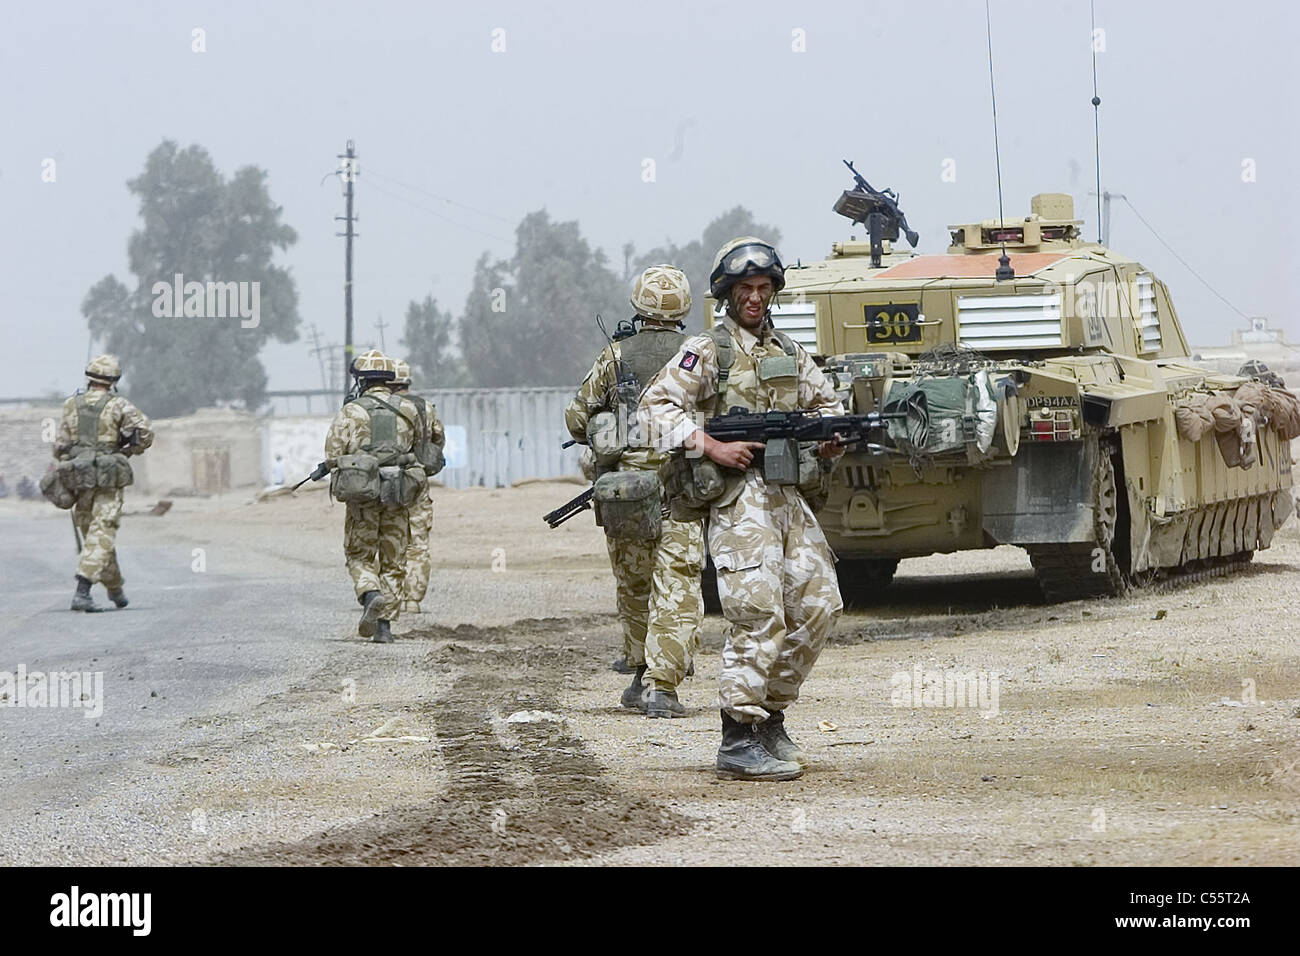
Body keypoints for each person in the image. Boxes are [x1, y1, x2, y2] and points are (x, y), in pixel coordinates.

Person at [639, 237, 845, 779]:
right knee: (757, 611)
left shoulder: (789, 351)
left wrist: (830, 435)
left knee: (820, 601)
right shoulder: (708, 351)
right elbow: (654, 407)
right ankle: (737, 735)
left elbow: (826, 404)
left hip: (786, 494)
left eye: (763, 288)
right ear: (727, 294)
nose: (755, 298)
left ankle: (770, 717)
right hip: (738, 498)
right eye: (744, 289)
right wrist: (710, 446)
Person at [565, 265, 705, 718]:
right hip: (683, 489)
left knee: (634, 584)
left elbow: (576, 418)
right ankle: (661, 687)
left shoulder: (614, 356)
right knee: (677, 585)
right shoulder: (698, 354)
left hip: (625, 492)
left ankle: (639, 673)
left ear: (637, 304)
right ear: (684, 306)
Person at [324, 349, 424, 643]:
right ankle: (384, 628)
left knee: (359, 554)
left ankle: (370, 594)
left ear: (363, 381)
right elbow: (418, 451)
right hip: (398, 494)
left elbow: (332, 456)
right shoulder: (408, 409)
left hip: (363, 496)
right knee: (394, 559)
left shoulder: (351, 412)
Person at [54, 354, 155, 611]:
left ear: (89, 378)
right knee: (102, 533)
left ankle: (115, 588)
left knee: (95, 536)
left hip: (81, 480)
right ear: (113, 380)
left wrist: (74, 462)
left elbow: (60, 447)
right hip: (108, 481)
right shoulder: (119, 405)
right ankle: (83, 591)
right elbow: (145, 433)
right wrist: (126, 450)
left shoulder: (70, 405)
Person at [391, 359, 446, 615]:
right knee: (418, 542)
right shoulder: (426, 407)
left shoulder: (380, 407)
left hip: (387, 481)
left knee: (390, 537)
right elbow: (438, 441)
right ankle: (412, 600)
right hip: (417, 481)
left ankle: (390, 594)